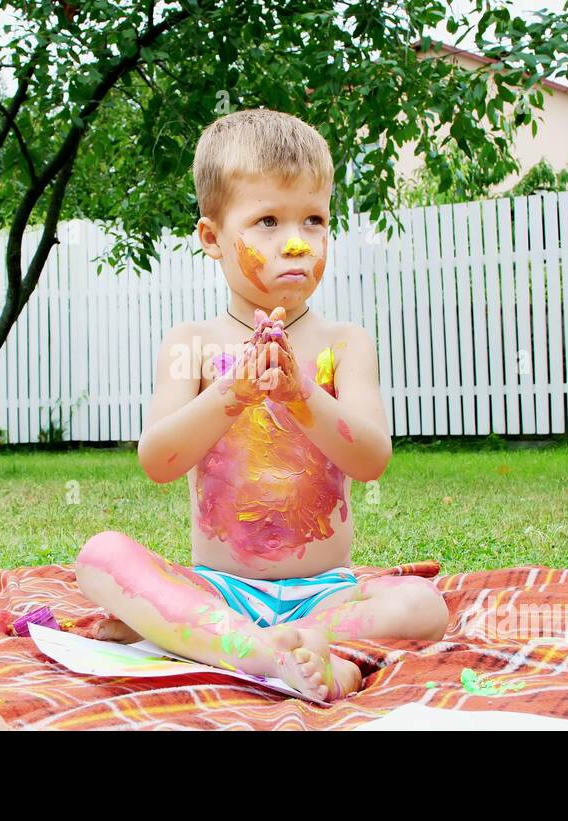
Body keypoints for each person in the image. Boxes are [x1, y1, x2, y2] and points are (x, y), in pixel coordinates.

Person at [74, 108, 449, 702]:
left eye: (314, 219)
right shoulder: (192, 344)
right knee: (100, 557)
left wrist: (302, 399)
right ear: (213, 237)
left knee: (422, 604)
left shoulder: (343, 343)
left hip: (327, 593)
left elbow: (372, 459)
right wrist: (232, 396)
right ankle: (264, 649)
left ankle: (233, 642)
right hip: (219, 587)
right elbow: (158, 462)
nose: (297, 241)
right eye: (268, 220)